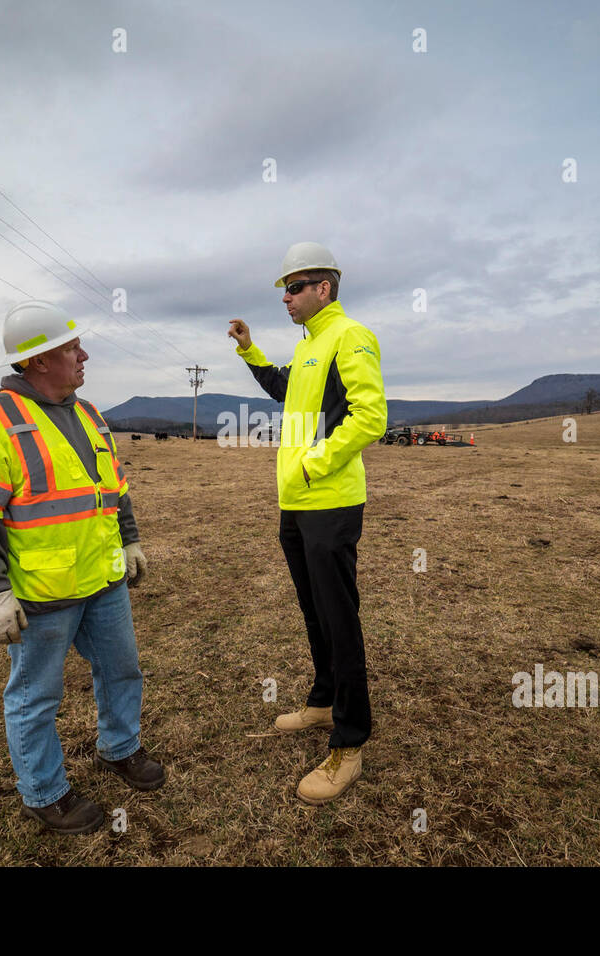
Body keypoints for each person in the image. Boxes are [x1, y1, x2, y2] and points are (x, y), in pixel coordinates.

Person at [0, 300, 163, 835]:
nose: (83, 355)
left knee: (121, 671)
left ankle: (119, 749)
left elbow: (112, 490)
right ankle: (43, 793)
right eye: (72, 348)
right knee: (35, 696)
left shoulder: (89, 414)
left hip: (104, 580)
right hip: (41, 592)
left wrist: (130, 542)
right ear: (39, 360)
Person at [227, 242, 387, 804]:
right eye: (284, 289)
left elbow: (372, 416)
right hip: (296, 504)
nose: (287, 297)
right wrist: (250, 351)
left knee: (339, 616)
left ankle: (350, 741)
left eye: (296, 287)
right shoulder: (311, 346)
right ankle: (322, 701)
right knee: (312, 607)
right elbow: (282, 388)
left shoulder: (351, 336)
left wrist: (316, 463)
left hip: (330, 501)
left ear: (325, 288)